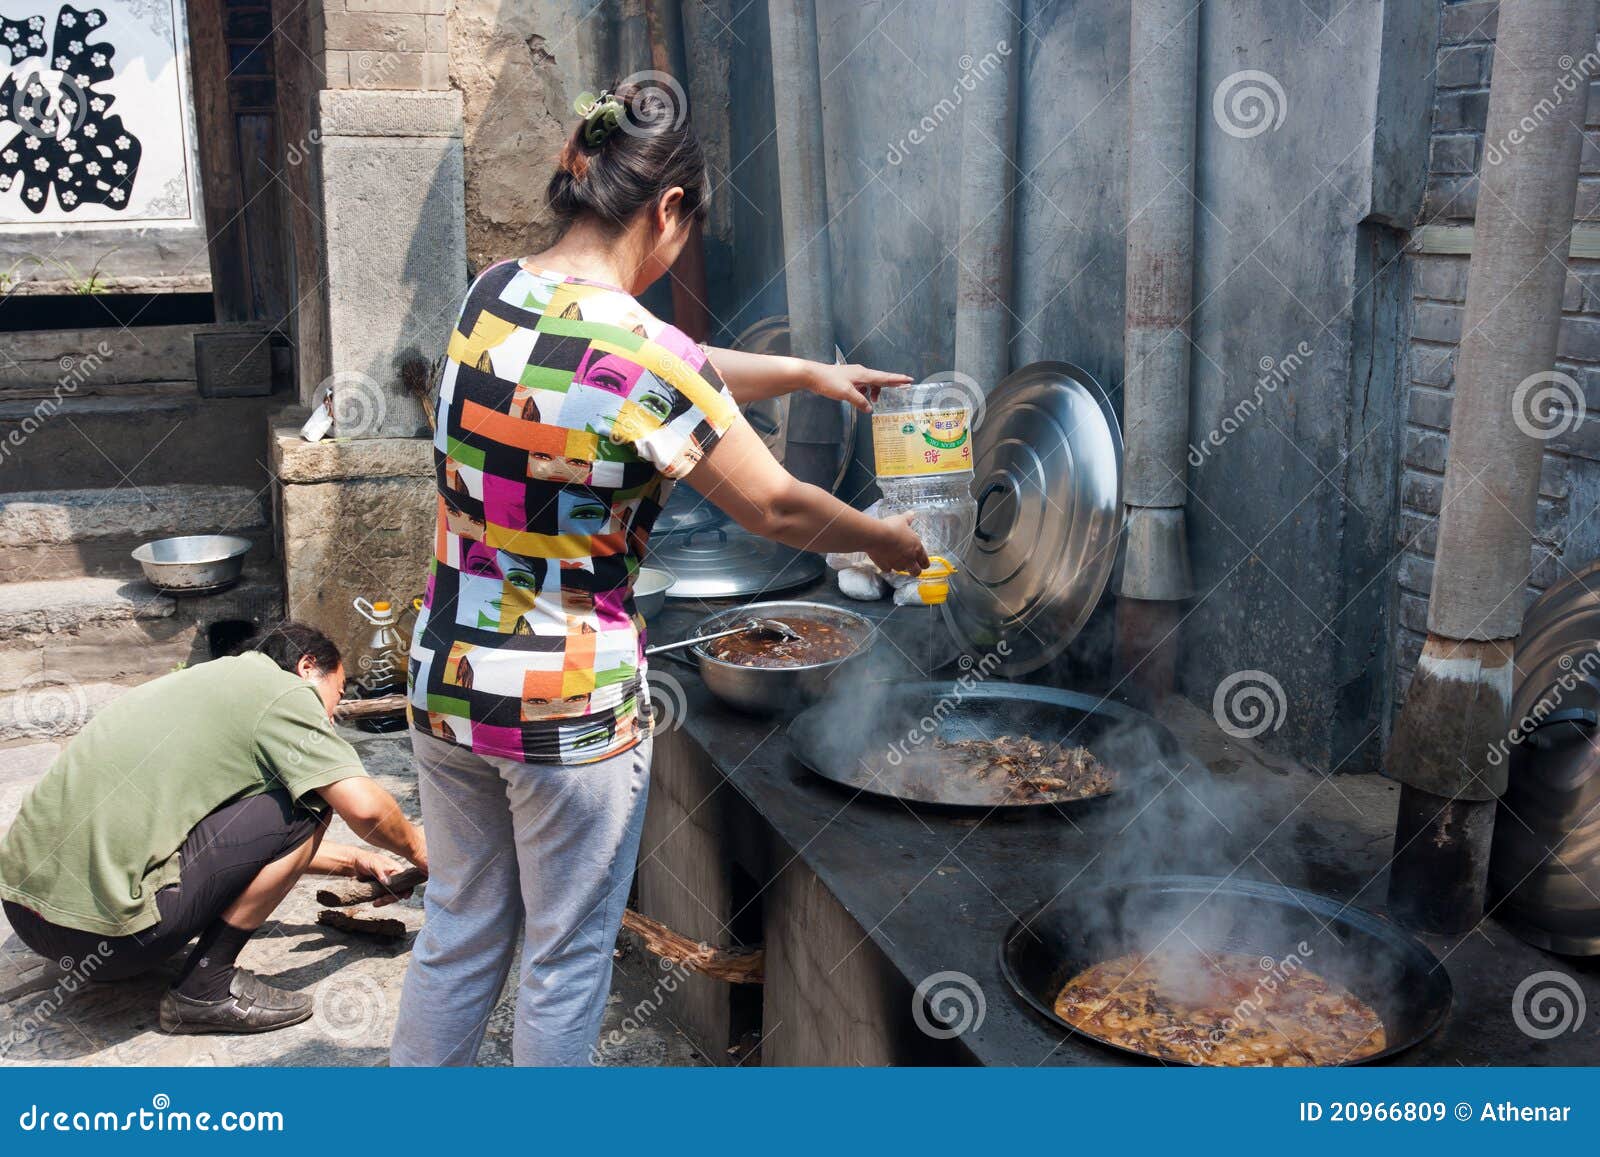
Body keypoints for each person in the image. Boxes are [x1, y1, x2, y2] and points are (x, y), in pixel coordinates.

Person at [391, 82, 927, 1066]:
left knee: (459, 929)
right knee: (563, 959)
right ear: (668, 208)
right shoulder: (643, 355)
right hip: (564, 704)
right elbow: (771, 502)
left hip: (450, 678)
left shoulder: (493, 291)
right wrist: (879, 538)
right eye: (689, 229)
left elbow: (656, 367)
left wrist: (808, 373)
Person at [0, 622, 428, 1035]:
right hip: (110, 943)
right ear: (306, 666)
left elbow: (230, 837)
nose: (331, 717)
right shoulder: (284, 692)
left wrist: (355, 860)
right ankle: (205, 988)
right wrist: (423, 852)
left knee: (279, 802)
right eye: (336, 694)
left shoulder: (202, 683)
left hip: (30, 918)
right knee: (311, 803)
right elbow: (367, 810)